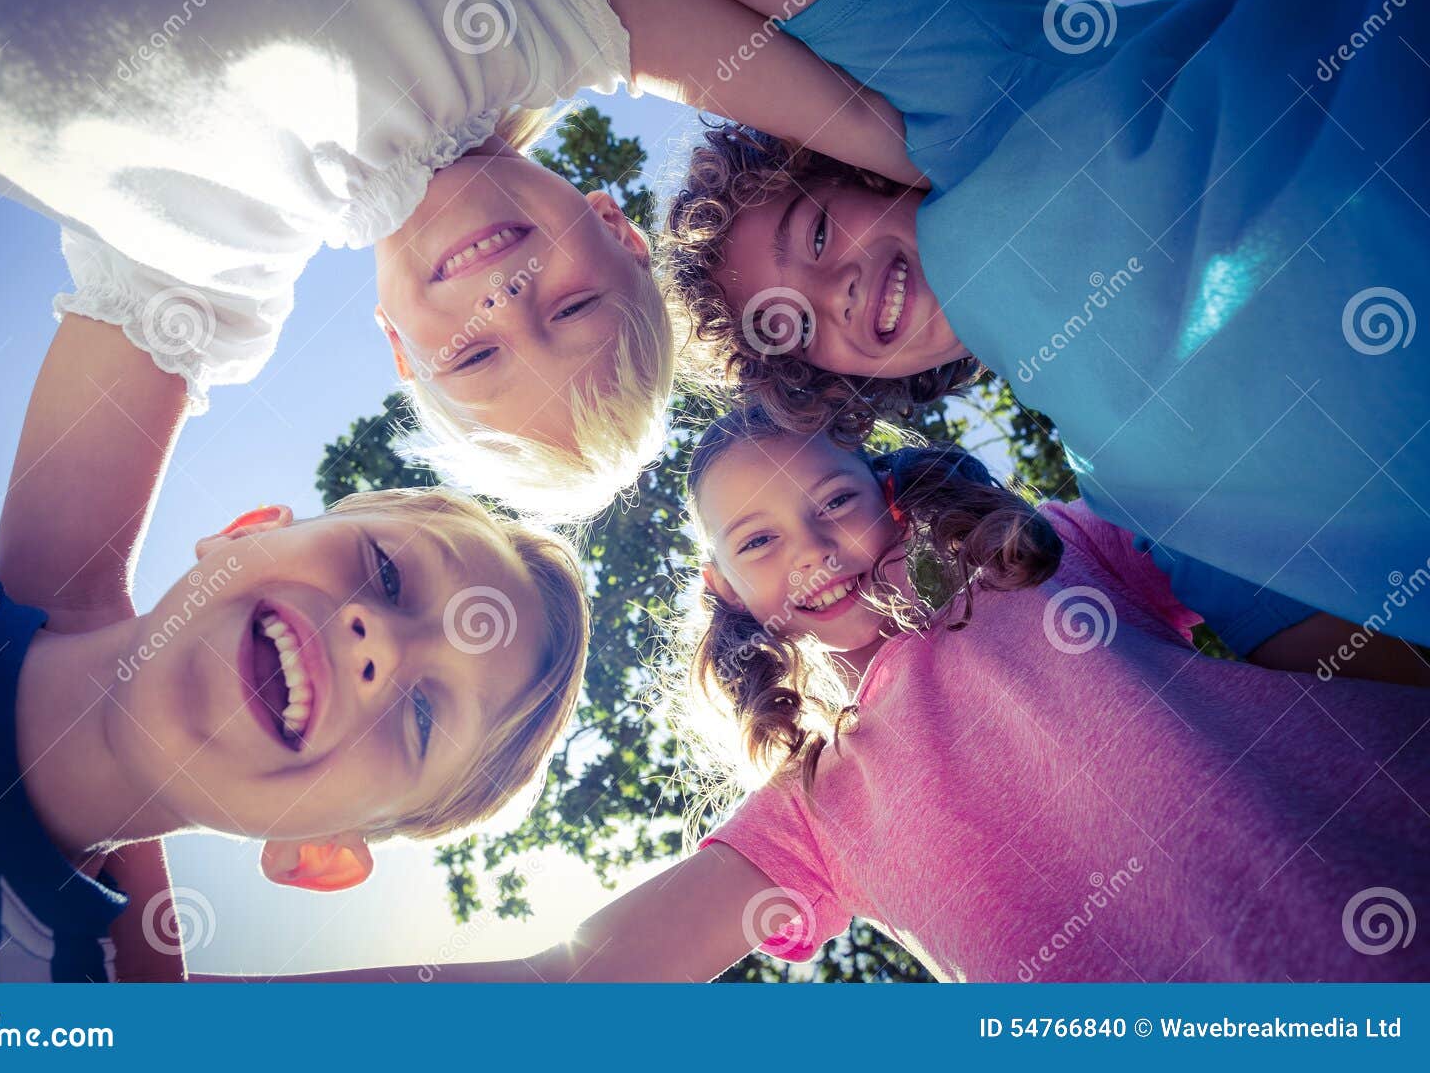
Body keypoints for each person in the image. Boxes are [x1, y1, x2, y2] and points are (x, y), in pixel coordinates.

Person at [231, 409, 1430, 982]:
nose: (815, 552)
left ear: (888, 491)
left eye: (834, 502)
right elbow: (573, 975)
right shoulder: (816, 812)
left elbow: (1314, 619)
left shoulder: (1046, 551)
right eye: (759, 541)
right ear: (727, 588)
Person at [0, 0, 917, 520]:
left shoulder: (215, 274)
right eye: (574, 306)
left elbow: (63, 588)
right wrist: (934, 169)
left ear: (398, 349)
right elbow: (882, 120)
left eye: (480, 353)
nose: (504, 298)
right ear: (615, 225)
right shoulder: (527, 14)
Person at [641, 0, 1430, 644]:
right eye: (800, 330)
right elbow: (1376, 729)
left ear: (858, 167)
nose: (834, 292)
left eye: (815, 232)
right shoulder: (1145, 505)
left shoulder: (988, 93)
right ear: (843, 383)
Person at [0, 396, 588, 981]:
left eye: (424, 715)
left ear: (316, 853)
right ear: (248, 528)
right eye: (389, 572)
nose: (382, 646)